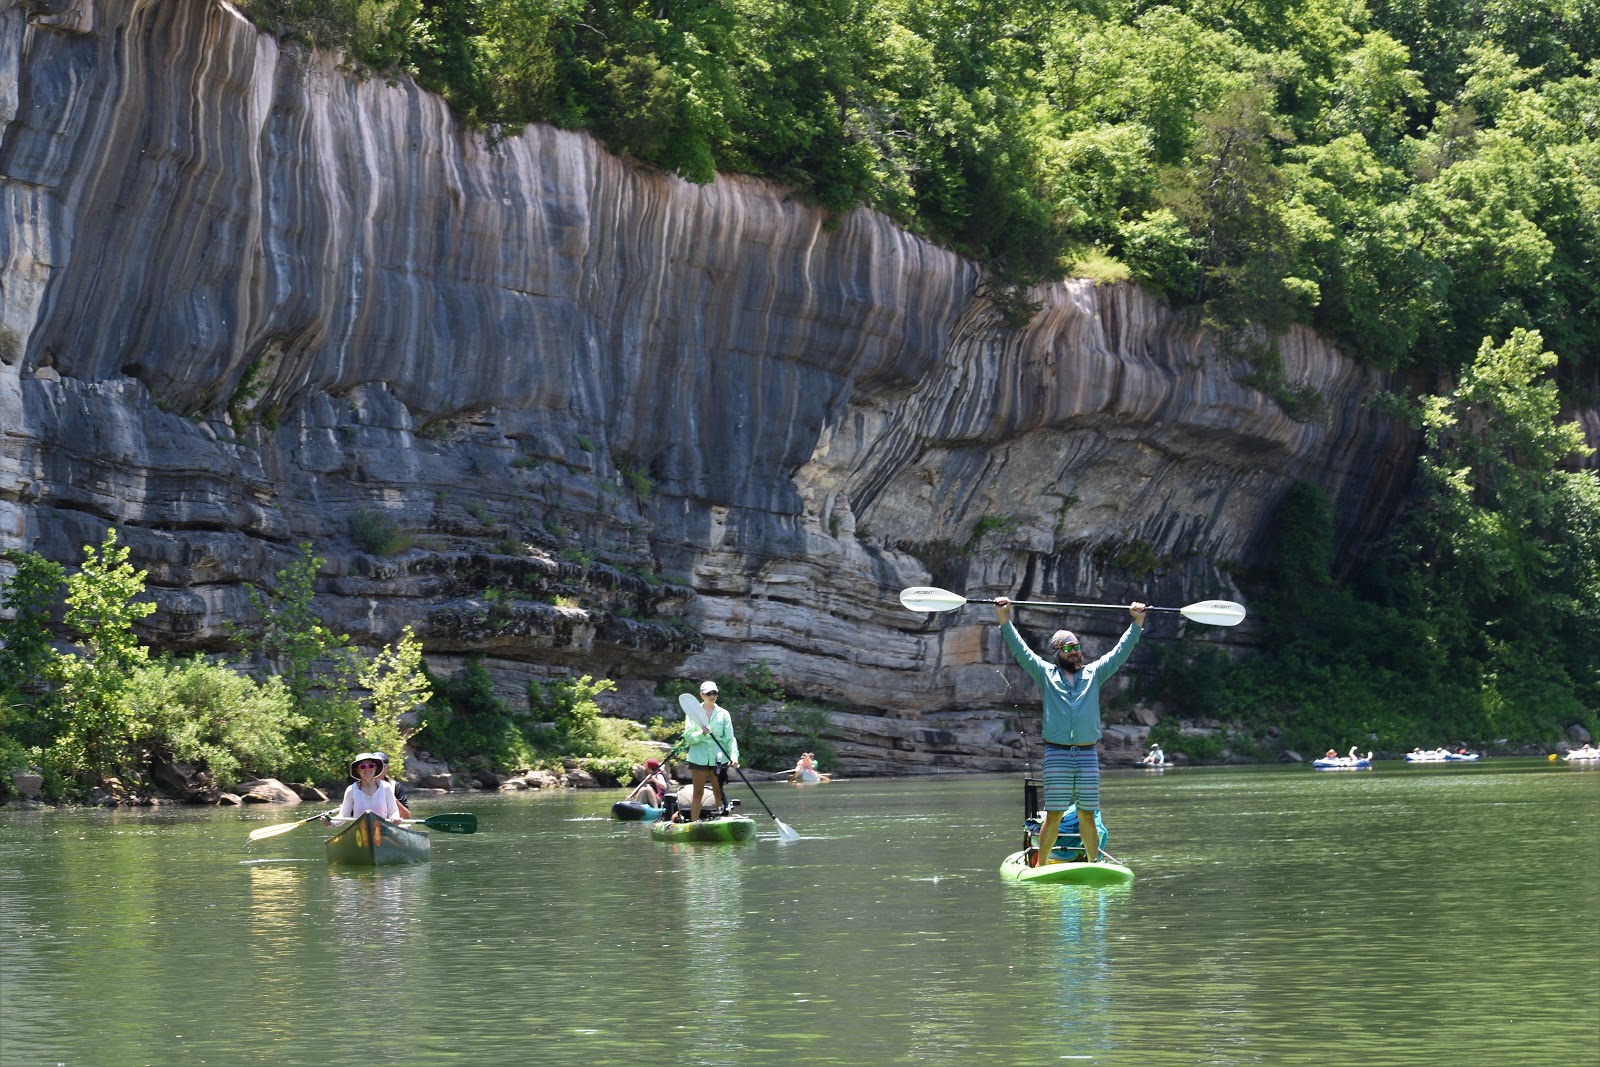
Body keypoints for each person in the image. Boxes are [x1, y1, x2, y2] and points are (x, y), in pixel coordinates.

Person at [995, 596, 1145, 865]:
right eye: (1068, 648)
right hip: (1056, 754)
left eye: (1077, 646)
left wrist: (1137, 623)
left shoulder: (1095, 673)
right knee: (1054, 814)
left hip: (1087, 754)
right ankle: (1041, 866)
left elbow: (1120, 652)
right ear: (1057, 654)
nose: (1075, 651)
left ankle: (1092, 864)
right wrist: (1004, 619)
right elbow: (1020, 650)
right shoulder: (1045, 674)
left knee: (1088, 813)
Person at [681, 680, 739, 820]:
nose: (712, 696)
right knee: (698, 792)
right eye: (709, 693)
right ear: (702, 695)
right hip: (698, 757)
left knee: (718, 791)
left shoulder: (724, 714)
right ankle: (693, 824)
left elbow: (730, 738)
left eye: (715, 693)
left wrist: (734, 756)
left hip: (718, 758)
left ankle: (719, 819)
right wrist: (702, 733)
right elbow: (688, 737)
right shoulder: (692, 713)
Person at [326, 751, 406, 824]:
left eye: (371, 766)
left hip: (382, 831)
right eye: (363, 767)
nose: (367, 769)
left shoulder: (386, 787)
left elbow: (393, 811)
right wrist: (331, 822)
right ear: (358, 770)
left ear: (375, 768)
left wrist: (395, 817)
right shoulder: (351, 790)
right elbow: (343, 815)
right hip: (360, 832)